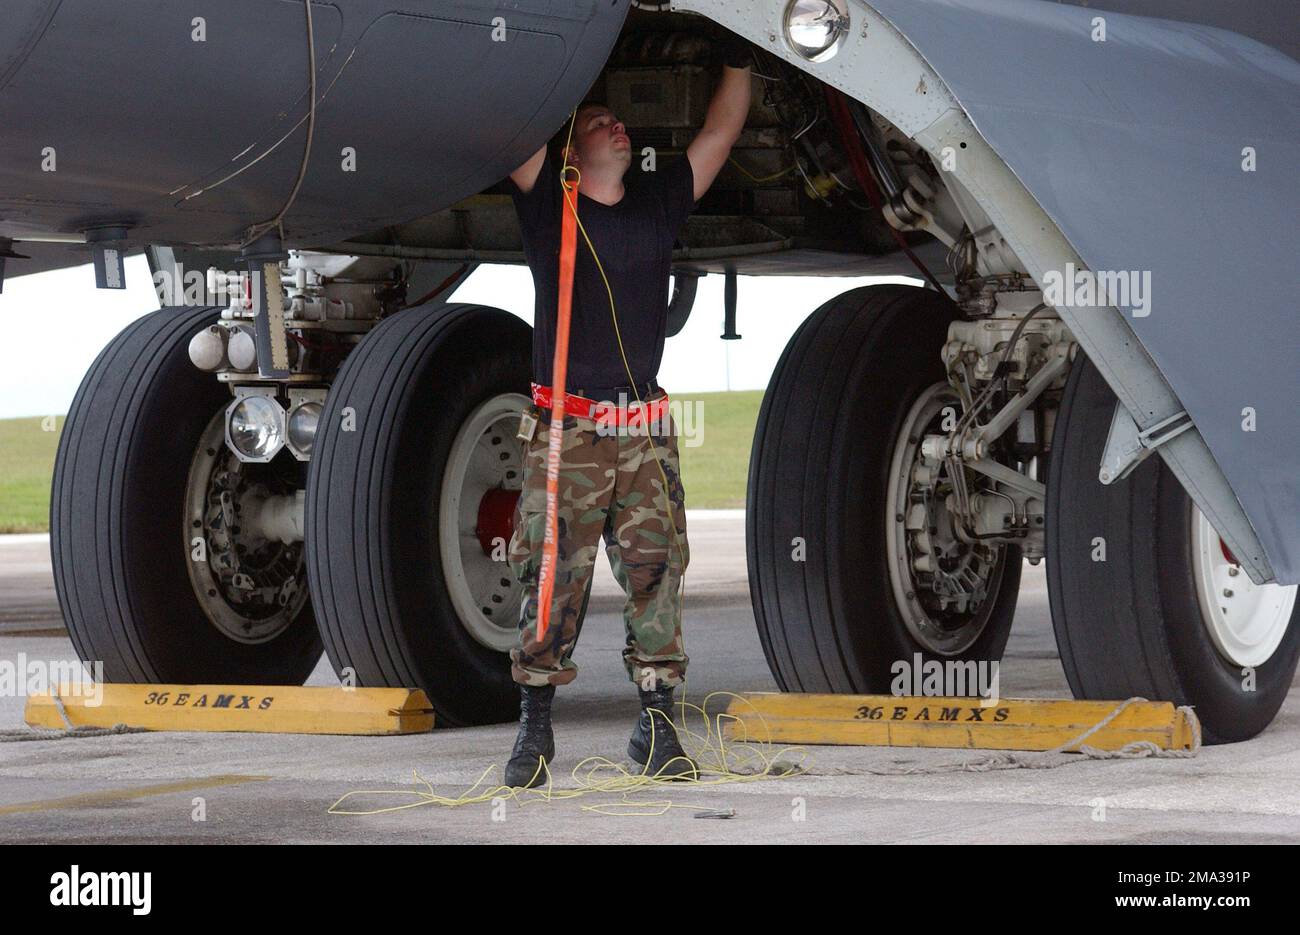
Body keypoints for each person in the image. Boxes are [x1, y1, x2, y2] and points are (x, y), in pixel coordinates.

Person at [500, 39, 752, 788]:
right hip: (568, 433)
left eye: (618, 123)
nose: (618, 129)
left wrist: (738, 57)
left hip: (641, 432)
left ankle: (658, 726)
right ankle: (534, 727)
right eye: (599, 121)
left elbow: (720, 132)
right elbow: (511, 125)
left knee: (657, 571)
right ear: (572, 147)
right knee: (552, 576)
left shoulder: (657, 205)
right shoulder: (549, 205)